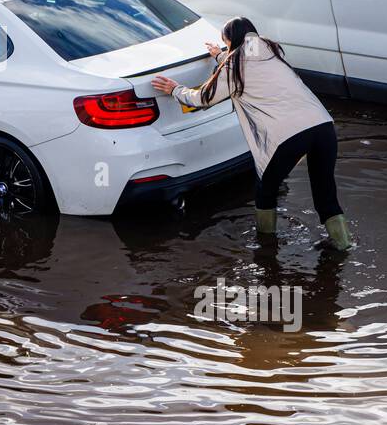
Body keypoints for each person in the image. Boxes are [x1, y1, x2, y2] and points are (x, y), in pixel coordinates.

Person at [151, 17, 353, 251]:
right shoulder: (271, 50)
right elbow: (249, 64)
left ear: (232, 41)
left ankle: (267, 246)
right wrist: (220, 56)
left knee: (266, 190)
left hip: (290, 136)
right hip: (323, 126)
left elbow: (203, 98)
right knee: (325, 192)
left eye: (226, 44)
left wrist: (175, 89)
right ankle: (343, 246)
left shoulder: (232, 65)